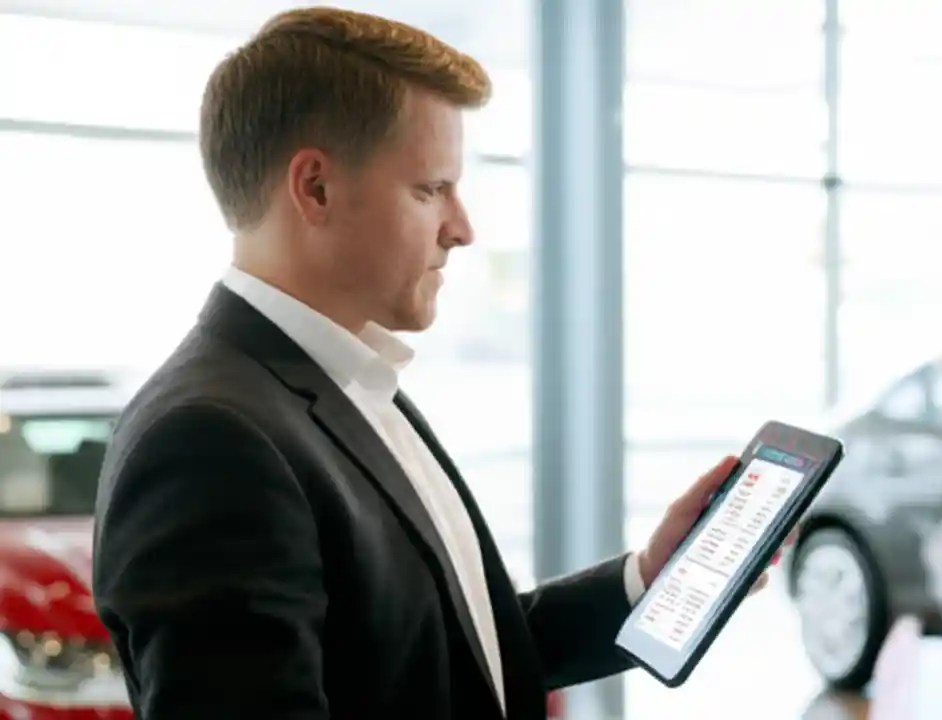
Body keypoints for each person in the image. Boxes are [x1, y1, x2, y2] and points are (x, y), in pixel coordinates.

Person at [92, 7, 776, 719]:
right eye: (430, 189)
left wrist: (648, 581)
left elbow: (458, 656)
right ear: (315, 188)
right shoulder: (209, 440)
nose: (462, 228)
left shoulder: (346, 385)